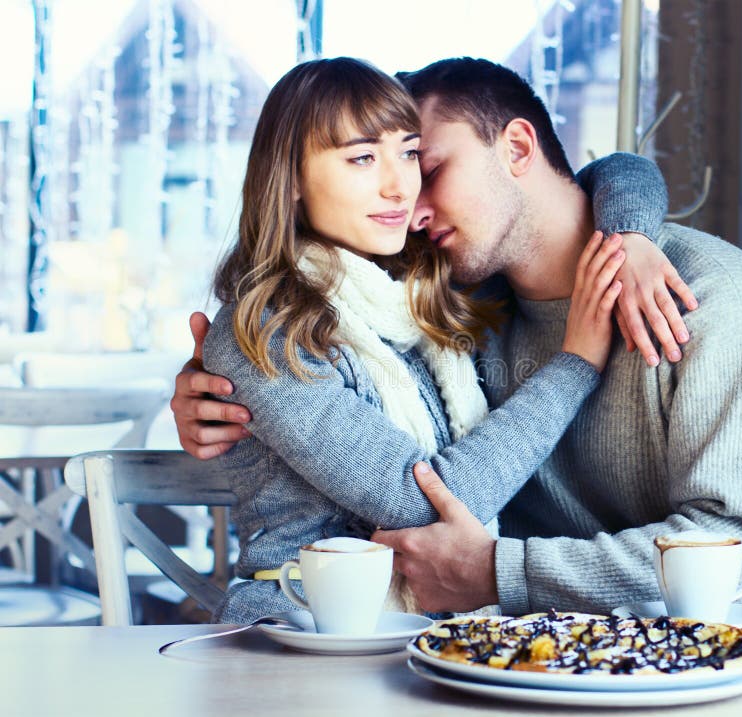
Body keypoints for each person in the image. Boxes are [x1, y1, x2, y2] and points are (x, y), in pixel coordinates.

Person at [192, 56, 682, 624]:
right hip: (304, 630)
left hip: (428, 633)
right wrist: (575, 364)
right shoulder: (263, 330)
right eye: (362, 158)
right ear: (292, 178)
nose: (400, 186)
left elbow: (623, 169)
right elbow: (418, 503)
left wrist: (628, 236)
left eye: (409, 154)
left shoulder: (419, 295)